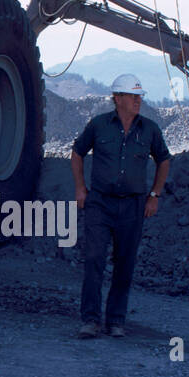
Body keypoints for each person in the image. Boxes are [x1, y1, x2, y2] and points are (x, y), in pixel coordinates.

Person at [70, 73, 171, 338]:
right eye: (133, 96)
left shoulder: (149, 129)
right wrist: (80, 188)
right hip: (100, 204)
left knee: (125, 263)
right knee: (94, 259)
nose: (138, 101)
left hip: (133, 207)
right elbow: (77, 152)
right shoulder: (98, 126)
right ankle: (90, 320)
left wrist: (155, 195)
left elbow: (164, 159)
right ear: (117, 98)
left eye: (139, 96)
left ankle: (116, 320)